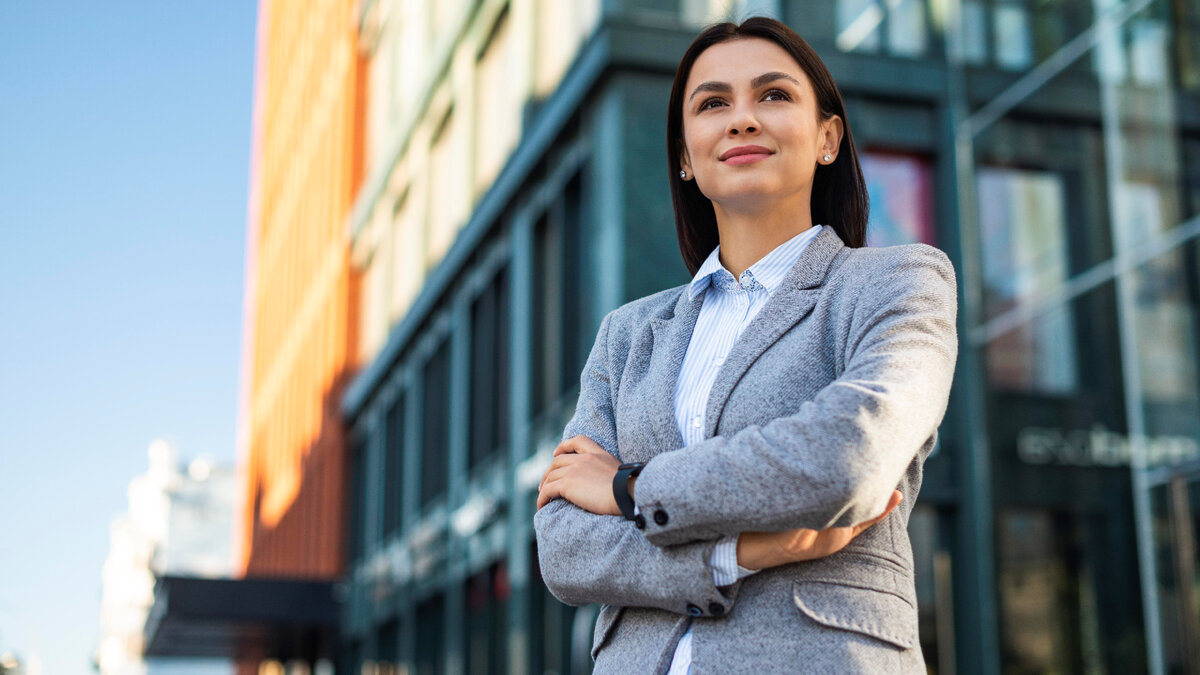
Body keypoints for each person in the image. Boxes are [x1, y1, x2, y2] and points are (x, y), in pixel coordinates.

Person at [533, 16, 957, 674]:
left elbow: (847, 456)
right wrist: (735, 554)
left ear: (827, 137)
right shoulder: (628, 335)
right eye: (712, 104)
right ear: (684, 153)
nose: (742, 119)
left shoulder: (897, 283)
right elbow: (564, 547)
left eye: (774, 95)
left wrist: (625, 488)